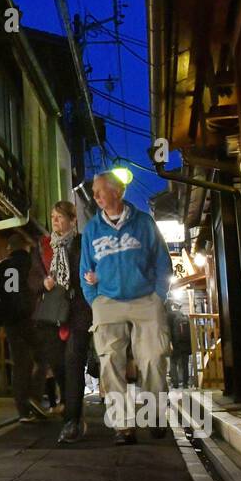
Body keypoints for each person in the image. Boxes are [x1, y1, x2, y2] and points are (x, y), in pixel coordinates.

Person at [80, 172, 174, 445]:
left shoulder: (144, 223)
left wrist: (159, 295)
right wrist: (94, 299)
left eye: (101, 191)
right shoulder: (92, 230)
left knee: (154, 358)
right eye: (94, 192)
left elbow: (161, 262)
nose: (96, 196)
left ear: (118, 192)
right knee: (110, 362)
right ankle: (123, 426)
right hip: (106, 302)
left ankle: (155, 415)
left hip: (146, 299)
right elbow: (85, 269)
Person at [30, 200, 93, 444]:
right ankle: (71, 407)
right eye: (53, 217)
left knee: (73, 361)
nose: (55, 221)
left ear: (72, 219)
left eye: (60, 217)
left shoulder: (81, 244)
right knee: (58, 365)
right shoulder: (44, 247)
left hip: (78, 310)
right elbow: (32, 279)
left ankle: (71, 421)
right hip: (53, 313)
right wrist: (42, 283)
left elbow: (86, 273)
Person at [0, 233, 48, 422]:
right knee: (43, 357)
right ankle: (35, 397)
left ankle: (23, 410)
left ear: (9, 248)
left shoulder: (1, 268)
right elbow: (40, 288)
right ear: (25, 247)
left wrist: (0, 319)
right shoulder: (32, 264)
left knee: (20, 364)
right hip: (33, 318)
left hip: (12, 322)